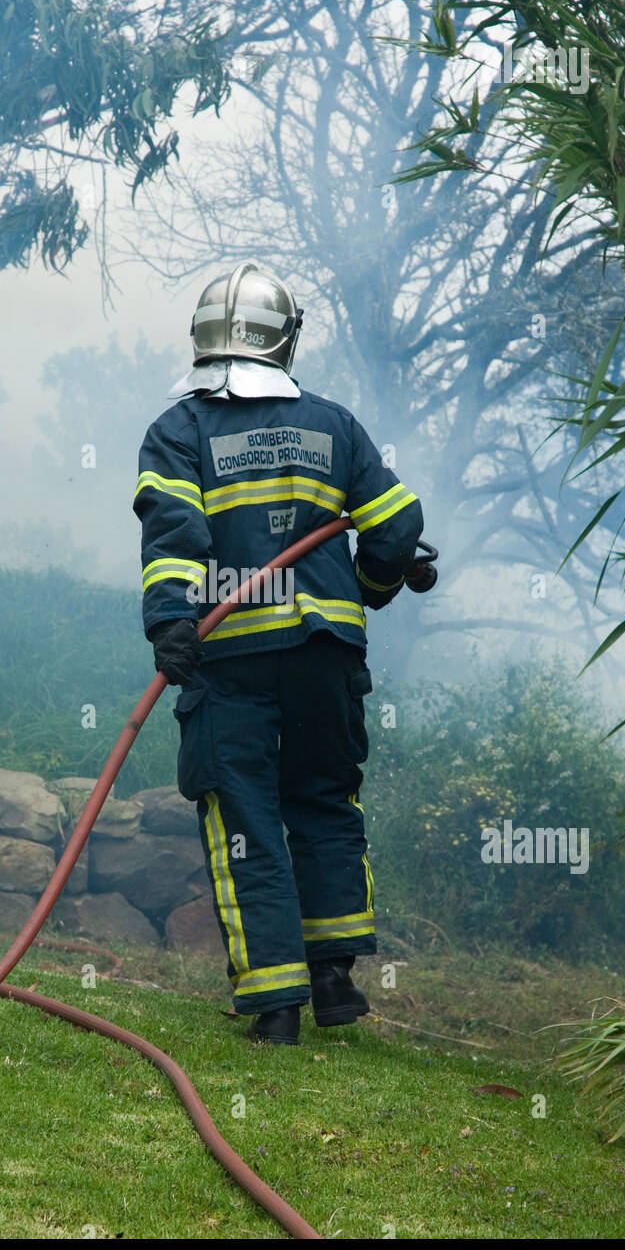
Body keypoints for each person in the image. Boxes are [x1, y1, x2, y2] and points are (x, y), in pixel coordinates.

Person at [133, 261, 424, 1045]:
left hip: (230, 661)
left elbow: (175, 536)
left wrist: (170, 624)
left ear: (202, 341)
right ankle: (332, 982)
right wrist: (371, 581)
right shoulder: (333, 423)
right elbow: (396, 528)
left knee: (246, 819)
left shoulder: (181, 429)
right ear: (286, 341)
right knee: (325, 801)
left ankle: (273, 1005)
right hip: (326, 655)